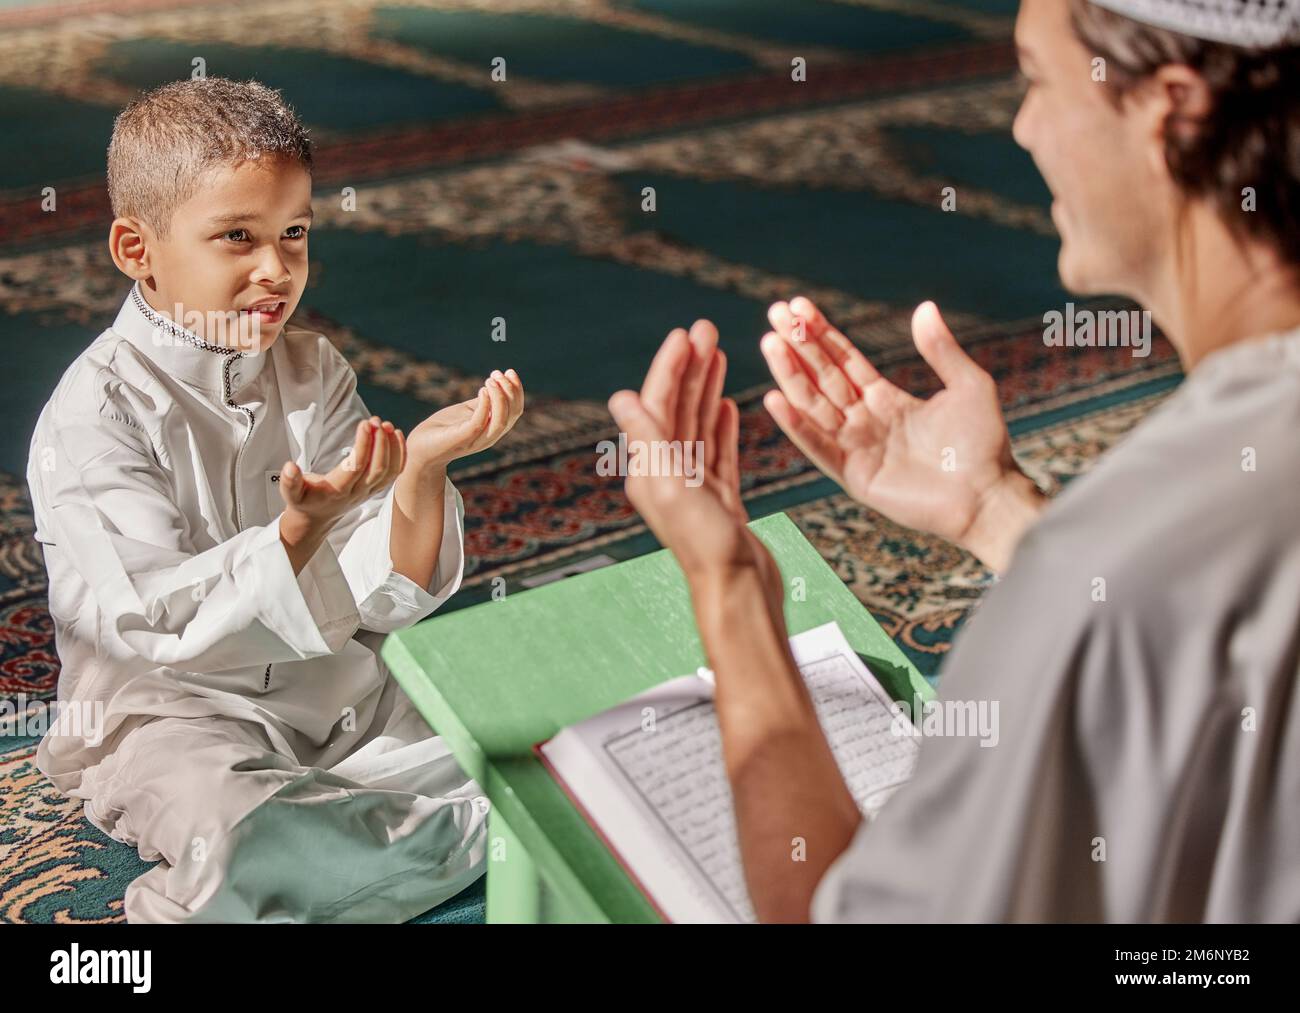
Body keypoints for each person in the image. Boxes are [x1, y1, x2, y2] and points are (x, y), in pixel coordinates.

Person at [608, 0, 1300, 922]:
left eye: (1038, 80)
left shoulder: (1118, 549)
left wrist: (728, 580)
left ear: (1171, 110)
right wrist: (993, 507)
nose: (1022, 126)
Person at [26, 76, 525, 923]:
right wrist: (296, 534)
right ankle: (494, 833)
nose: (276, 269)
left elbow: (381, 590)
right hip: (173, 716)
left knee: (543, 730)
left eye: (295, 232)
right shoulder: (93, 411)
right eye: (236, 237)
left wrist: (423, 474)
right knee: (235, 835)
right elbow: (149, 615)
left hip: (339, 697)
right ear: (135, 248)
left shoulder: (312, 368)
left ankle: (402, 836)